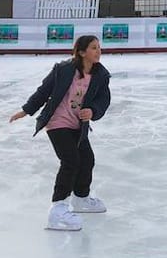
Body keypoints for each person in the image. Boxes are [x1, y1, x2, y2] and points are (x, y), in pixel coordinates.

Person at [10, 36, 112, 232]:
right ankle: (57, 209)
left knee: (87, 159)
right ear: (82, 52)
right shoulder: (63, 70)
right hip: (57, 122)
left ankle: (81, 198)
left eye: (99, 47)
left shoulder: (101, 75)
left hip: (78, 125)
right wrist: (26, 110)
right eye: (93, 48)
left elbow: (103, 100)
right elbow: (43, 91)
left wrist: (92, 111)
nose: (98, 51)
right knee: (70, 161)